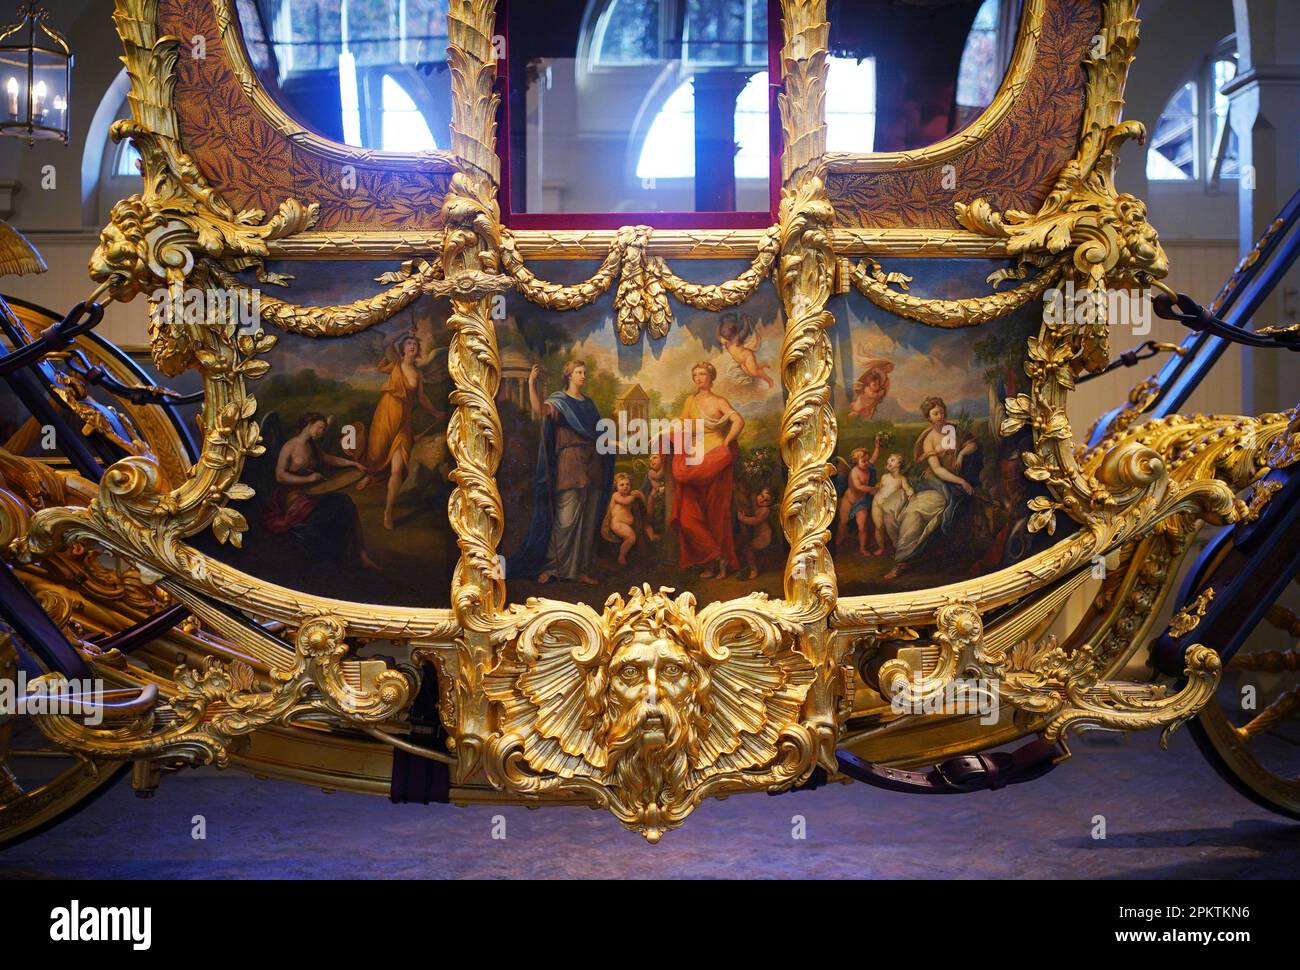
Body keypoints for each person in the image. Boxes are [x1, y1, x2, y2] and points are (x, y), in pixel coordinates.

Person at [508, 359, 614, 585]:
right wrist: (531, 384)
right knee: (566, 519)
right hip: (570, 463)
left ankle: (581, 569)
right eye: (579, 372)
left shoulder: (589, 403)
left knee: (587, 519)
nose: (583, 376)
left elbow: (597, 433)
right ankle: (553, 566)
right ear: (569, 376)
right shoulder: (560, 401)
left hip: (592, 462)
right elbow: (539, 411)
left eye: (584, 372)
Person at [263, 412, 378, 570]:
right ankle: (329, 559)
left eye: (323, 429)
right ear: (309, 425)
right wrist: (308, 480)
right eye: (320, 428)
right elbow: (280, 476)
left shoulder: (312, 446)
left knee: (345, 503)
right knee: (322, 519)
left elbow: (329, 458)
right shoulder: (290, 446)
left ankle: (362, 555)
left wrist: (353, 464)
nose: (321, 432)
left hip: (313, 494)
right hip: (293, 498)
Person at [884, 397, 981, 580]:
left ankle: (904, 559)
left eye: (942, 411)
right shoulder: (929, 439)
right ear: (929, 417)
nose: (940, 416)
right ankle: (901, 560)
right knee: (911, 513)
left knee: (917, 513)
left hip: (952, 483)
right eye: (935, 413)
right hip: (936, 483)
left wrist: (961, 454)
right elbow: (938, 470)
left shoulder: (953, 430)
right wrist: (961, 482)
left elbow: (972, 444)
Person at [359, 331, 443, 530]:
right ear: (403, 348)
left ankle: (388, 510)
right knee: (376, 453)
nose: (412, 346)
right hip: (386, 414)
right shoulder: (396, 363)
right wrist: (405, 332)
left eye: (415, 343)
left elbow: (421, 398)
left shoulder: (418, 374)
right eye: (408, 343)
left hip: (404, 422)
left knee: (397, 469)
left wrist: (435, 413)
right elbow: (387, 341)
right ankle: (370, 475)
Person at [670, 361, 743, 579]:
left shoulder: (719, 401)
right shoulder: (690, 401)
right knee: (688, 517)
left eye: (703, 374)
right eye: (696, 374)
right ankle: (714, 557)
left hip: (714, 462)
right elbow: (682, 425)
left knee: (715, 514)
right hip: (694, 461)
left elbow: (738, 420)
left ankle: (716, 564)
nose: (699, 378)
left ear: (711, 377)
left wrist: (726, 443)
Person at [871, 452, 913, 556]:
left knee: (892, 528)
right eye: (889, 460)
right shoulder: (885, 476)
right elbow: (879, 487)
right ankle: (881, 548)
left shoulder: (902, 479)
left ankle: (897, 548)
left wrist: (911, 494)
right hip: (877, 503)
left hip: (889, 508)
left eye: (892, 460)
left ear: (899, 464)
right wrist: (874, 489)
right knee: (879, 526)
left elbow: (908, 489)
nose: (889, 462)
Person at [602, 472, 647, 565]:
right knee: (631, 537)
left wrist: (641, 495)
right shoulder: (616, 495)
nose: (625, 486)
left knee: (646, 528)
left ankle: (652, 537)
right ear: (616, 487)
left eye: (628, 484)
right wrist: (635, 495)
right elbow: (625, 502)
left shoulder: (629, 495)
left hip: (628, 524)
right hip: (617, 524)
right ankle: (621, 557)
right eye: (621, 485)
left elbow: (643, 502)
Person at [737, 486, 776, 580]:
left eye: (766, 500)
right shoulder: (758, 506)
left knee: (749, 549)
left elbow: (756, 521)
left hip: (764, 537)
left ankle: (754, 570)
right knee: (744, 548)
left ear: (770, 503)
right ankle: (748, 567)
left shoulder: (765, 510)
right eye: (761, 496)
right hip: (758, 535)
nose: (762, 500)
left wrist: (743, 519)